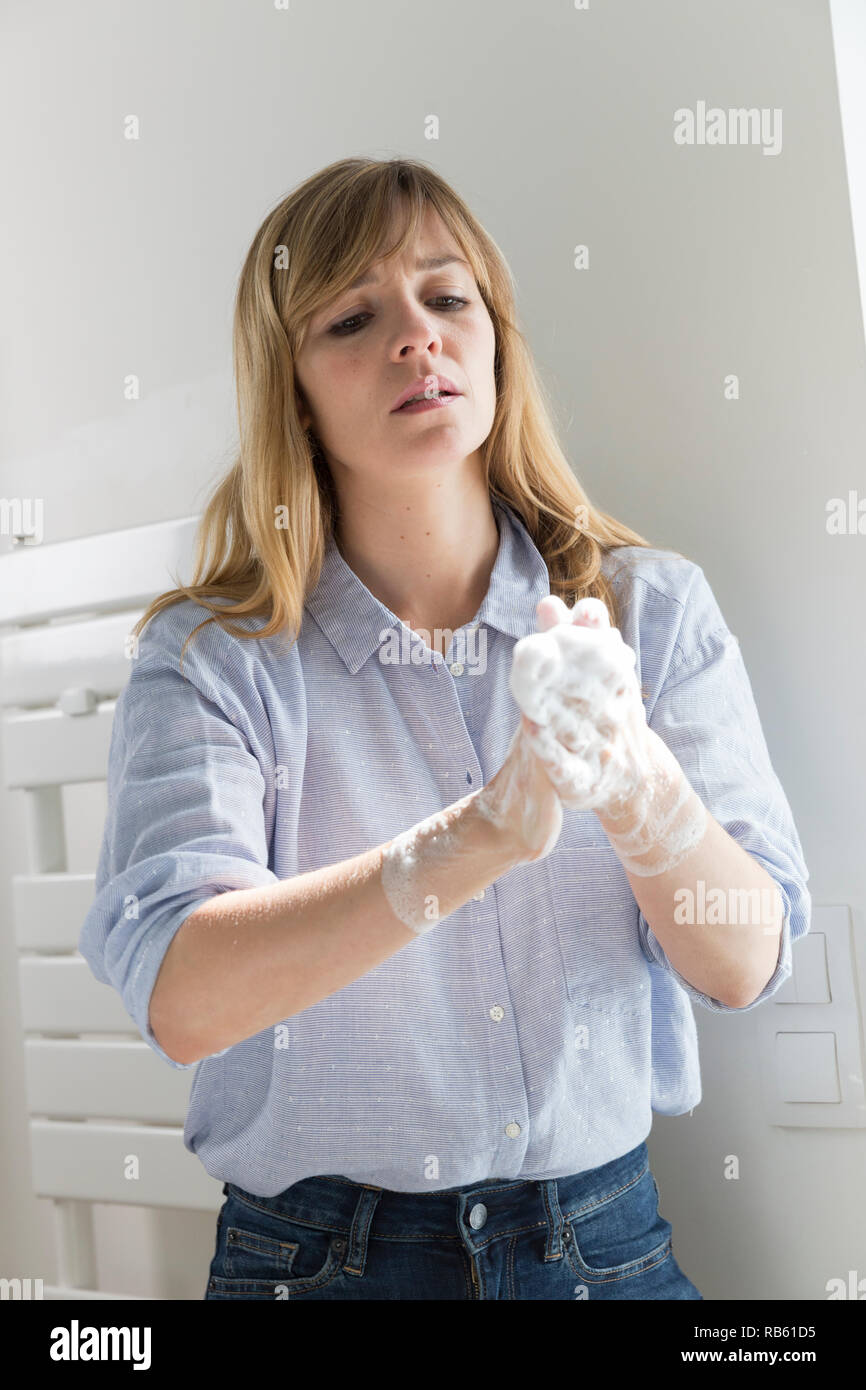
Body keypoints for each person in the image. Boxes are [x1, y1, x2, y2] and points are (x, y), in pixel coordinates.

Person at [78, 157, 810, 1301]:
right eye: (353, 318)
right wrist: (477, 836)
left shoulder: (651, 610)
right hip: (315, 1265)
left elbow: (744, 962)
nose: (416, 338)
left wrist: (636, 787)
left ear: (495, 339)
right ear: (295, 392)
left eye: (446, 297)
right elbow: (183, 999)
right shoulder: (209, 657)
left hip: (603, 1245)